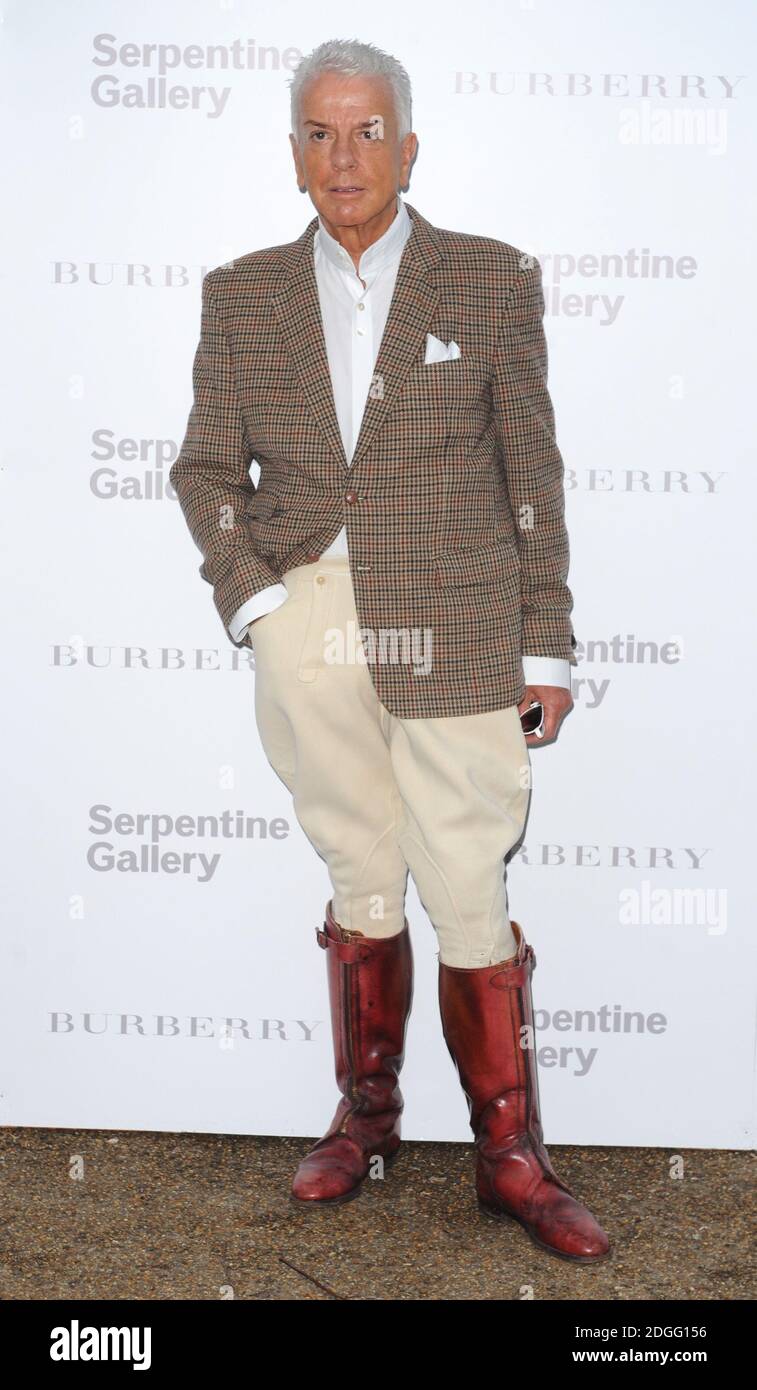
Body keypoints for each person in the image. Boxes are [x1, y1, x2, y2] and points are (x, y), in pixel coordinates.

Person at [170, 37, 610, 1263]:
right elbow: (205, 466)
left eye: (367, 131)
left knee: (469, 879)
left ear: (408, 147)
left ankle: (510, 1157)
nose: (343, 155)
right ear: (294, 152)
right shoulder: (239, 291)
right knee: (359, 873)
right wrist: (253, 597)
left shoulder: (488, 278)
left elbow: (534, 474)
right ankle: (367, 1118)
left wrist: (550, 642)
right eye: (320, 131)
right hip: (308, 622)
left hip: (462, 621)